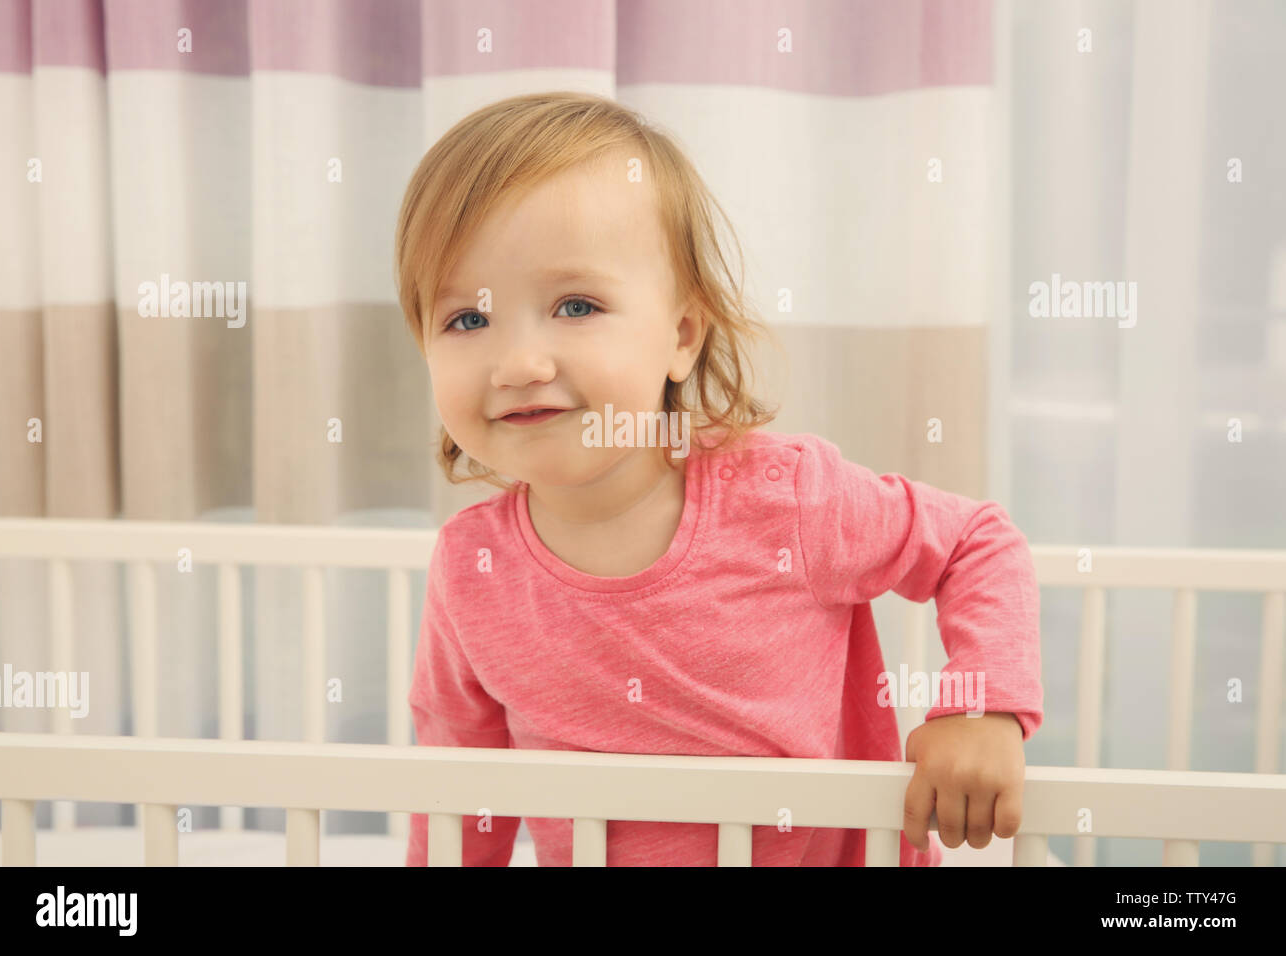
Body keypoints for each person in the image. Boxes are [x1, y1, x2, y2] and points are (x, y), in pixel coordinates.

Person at [393, 91, 1041, 866]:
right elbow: (462, 781)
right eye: (468, 319)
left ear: (681, 336)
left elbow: (976, 541)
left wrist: (978, 707)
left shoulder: (787, 500)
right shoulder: (474, 567)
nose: (520, 364)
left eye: (575, 304)